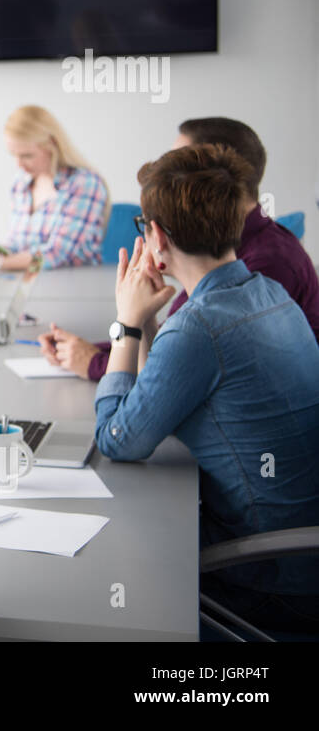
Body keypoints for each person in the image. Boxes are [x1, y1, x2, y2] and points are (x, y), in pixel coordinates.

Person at [95, 143, 319, 634]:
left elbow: (117, 439)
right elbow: (163, 396)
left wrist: (126, 322)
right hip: (302, 554)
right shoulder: (267, 291)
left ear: (154, 235)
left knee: (111, 564)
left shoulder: (199, 328)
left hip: (269, 579)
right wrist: (149, 322)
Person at [41, 117, 319, 380]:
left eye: (179, 161)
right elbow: (171, 340)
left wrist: (93, 362)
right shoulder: (216, 247)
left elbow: (179, 365)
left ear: (215, 173)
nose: (167, 169)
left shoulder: (266, 263)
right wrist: (88, 348)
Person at [0, 105, 108, 270]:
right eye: (14, 155)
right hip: (29, 283)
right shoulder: (21, 184)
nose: (19, 165)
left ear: (52, 145)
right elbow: (19, 247)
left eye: (27, 156)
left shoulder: (85, 184)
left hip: (72, 289)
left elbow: (56, 254)